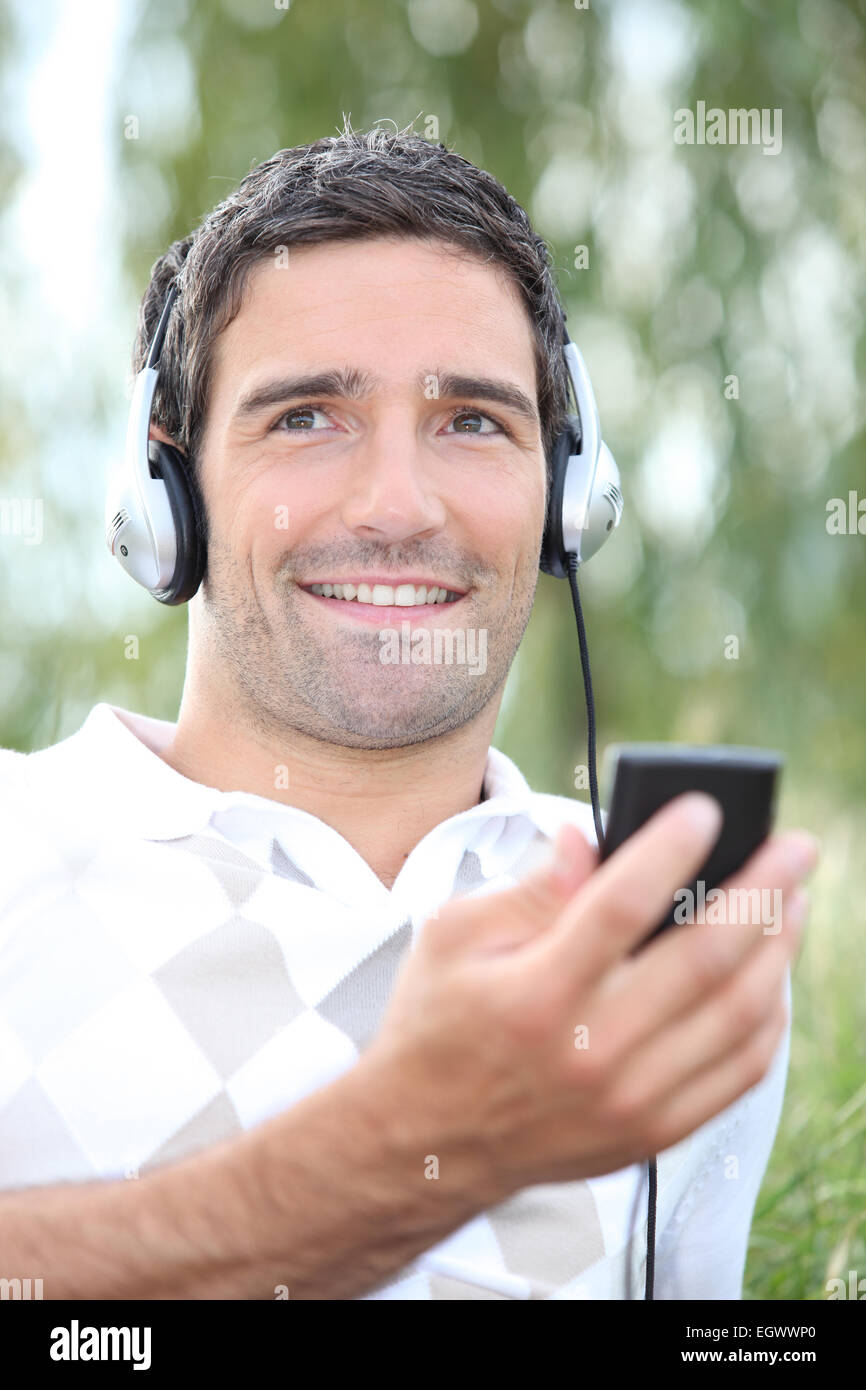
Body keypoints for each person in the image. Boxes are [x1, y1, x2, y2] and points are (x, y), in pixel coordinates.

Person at [0, 121, 817, 1300]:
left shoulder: (650, 928)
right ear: (160, 487)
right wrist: (399, 1155)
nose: (397, 504)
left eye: (471, 421)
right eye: (305, 417)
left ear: (567, 498)